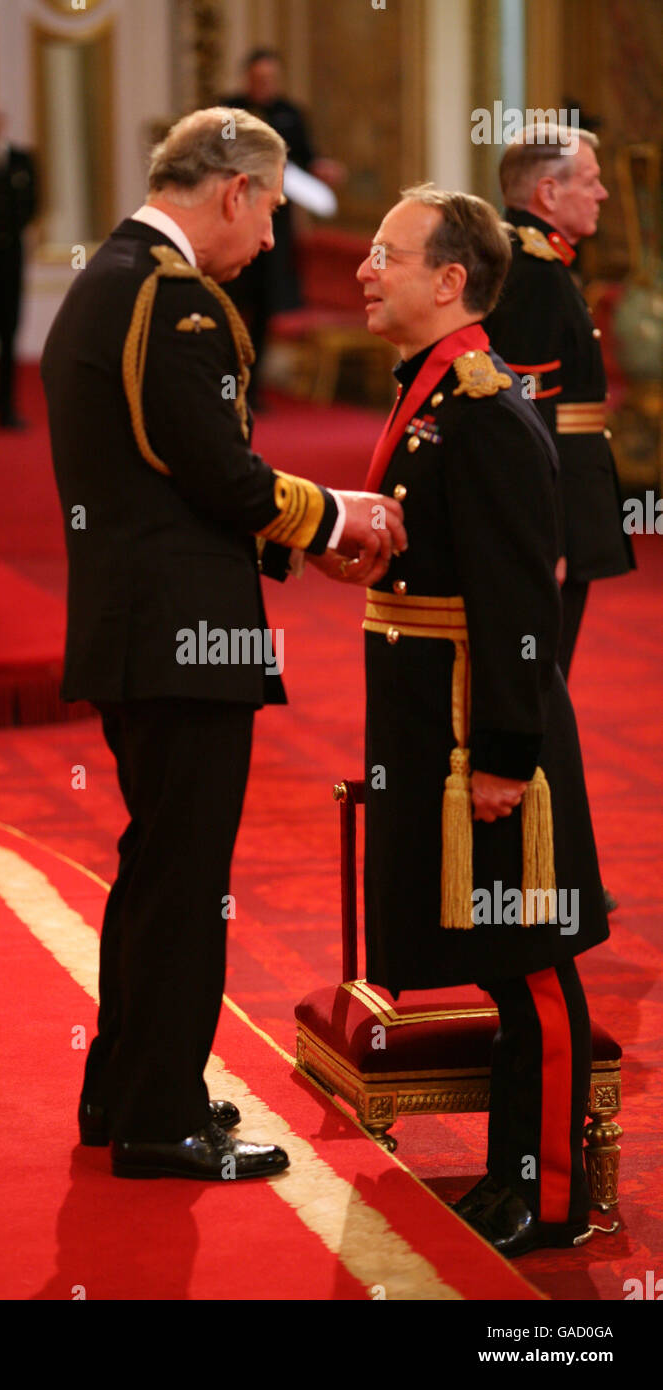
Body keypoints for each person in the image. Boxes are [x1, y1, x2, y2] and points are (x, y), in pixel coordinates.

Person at [40, 107, 406, 1182]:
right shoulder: (172, 297)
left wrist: (299, 534)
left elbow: (176, 483)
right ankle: (161, 1115)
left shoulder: (112, 277)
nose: (271, 236)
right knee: (186, 879)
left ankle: (121, 1088)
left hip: (142, 626)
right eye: (271, 211)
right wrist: (340, 519)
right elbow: (215, 473)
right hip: (179, 639)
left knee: (156, 869)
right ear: (232, 189)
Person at [310, 185, 614, 1256]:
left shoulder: (481, 406)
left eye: (383, 254)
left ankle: (548, 1195)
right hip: (432, 725)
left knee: (527, 961)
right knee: (497, 956)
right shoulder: (436, 396)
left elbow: (519, 605)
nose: (362, 269)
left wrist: (502, 759)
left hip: (478, 738)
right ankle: (508, 1177)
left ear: (447, 281)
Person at [484, 125, 635, 680]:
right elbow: (523, 416)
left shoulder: (537, 263)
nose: (602, 194)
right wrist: (544, 535)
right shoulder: (531, 273)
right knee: (538, 681)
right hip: (555, 508)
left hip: (565, 496)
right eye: (591, 182)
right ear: (548, 193)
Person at [222, 49, 344, 404]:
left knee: (264, 307)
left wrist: (321, 169)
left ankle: (253, 388)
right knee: (228, 303)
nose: (264, 85)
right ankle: (225, 383)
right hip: (233, 222)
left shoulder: (291, 115)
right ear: (247, 78)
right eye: (258, 79)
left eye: (269, 79)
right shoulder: (228, 111)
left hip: (273, 229)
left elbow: (305, 160)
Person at [0, 97, 38, 429]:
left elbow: (31, 206)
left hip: (9, 262)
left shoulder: (20, 160)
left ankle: (8, 406)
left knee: (9, 333)